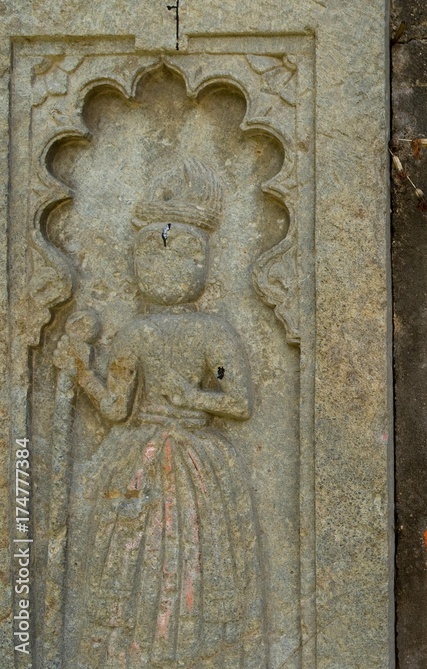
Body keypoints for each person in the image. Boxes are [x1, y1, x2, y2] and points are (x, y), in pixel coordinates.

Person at [54, 158, 266, 668]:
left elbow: (235, 401)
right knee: (127, 565)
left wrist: (192, 401)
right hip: (136, 465)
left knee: (198, 560)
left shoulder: (213, 333)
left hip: (197, 467)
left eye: (182, 256)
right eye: (152, 256)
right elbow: (115, 408)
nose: (166, 268)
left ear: (203, 262)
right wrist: (79, 370)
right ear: (135, 263)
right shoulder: (133, 334)